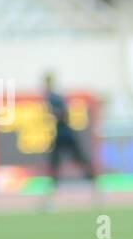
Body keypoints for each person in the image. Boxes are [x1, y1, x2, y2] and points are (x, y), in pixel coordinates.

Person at [41, 72, 98, 210]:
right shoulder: (51, 97)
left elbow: (62, 114)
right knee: (56, 166)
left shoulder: (54, 98)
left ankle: (96, 190)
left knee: (79, 161)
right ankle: (51, 199)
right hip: (61, 135)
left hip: (65, 135)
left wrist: (53, 114)